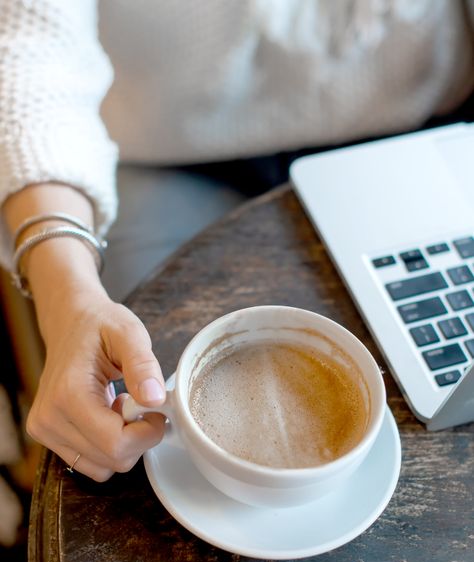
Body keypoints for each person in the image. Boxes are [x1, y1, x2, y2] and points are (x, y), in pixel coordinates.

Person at [0, 1, 473, 482]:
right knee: (145, 366)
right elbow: (29, 51)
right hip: (162, 150)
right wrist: (70, 300)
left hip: (408, 138)